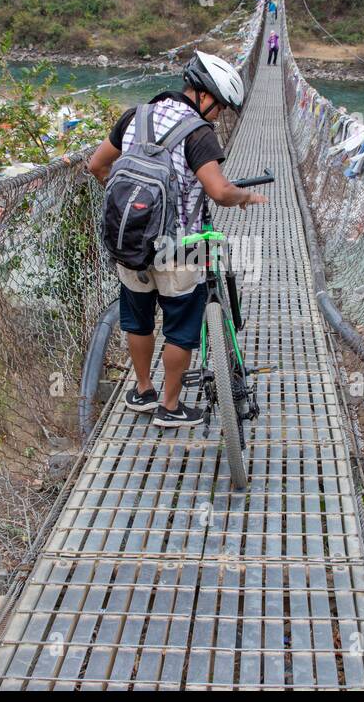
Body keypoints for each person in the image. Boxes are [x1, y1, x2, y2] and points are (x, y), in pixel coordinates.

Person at [88, 51, 267, 429]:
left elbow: (96, 165)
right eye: (219, 107)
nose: (218, 115)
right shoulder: (199, 133)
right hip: (177, 248)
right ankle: (169, 408)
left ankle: (142, 391)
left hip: (131, 241)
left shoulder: (134, 116)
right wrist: (244, 197)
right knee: (181, 327)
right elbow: (218, 191)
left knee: (137, 319)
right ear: (204, 96)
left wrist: (135, 209)